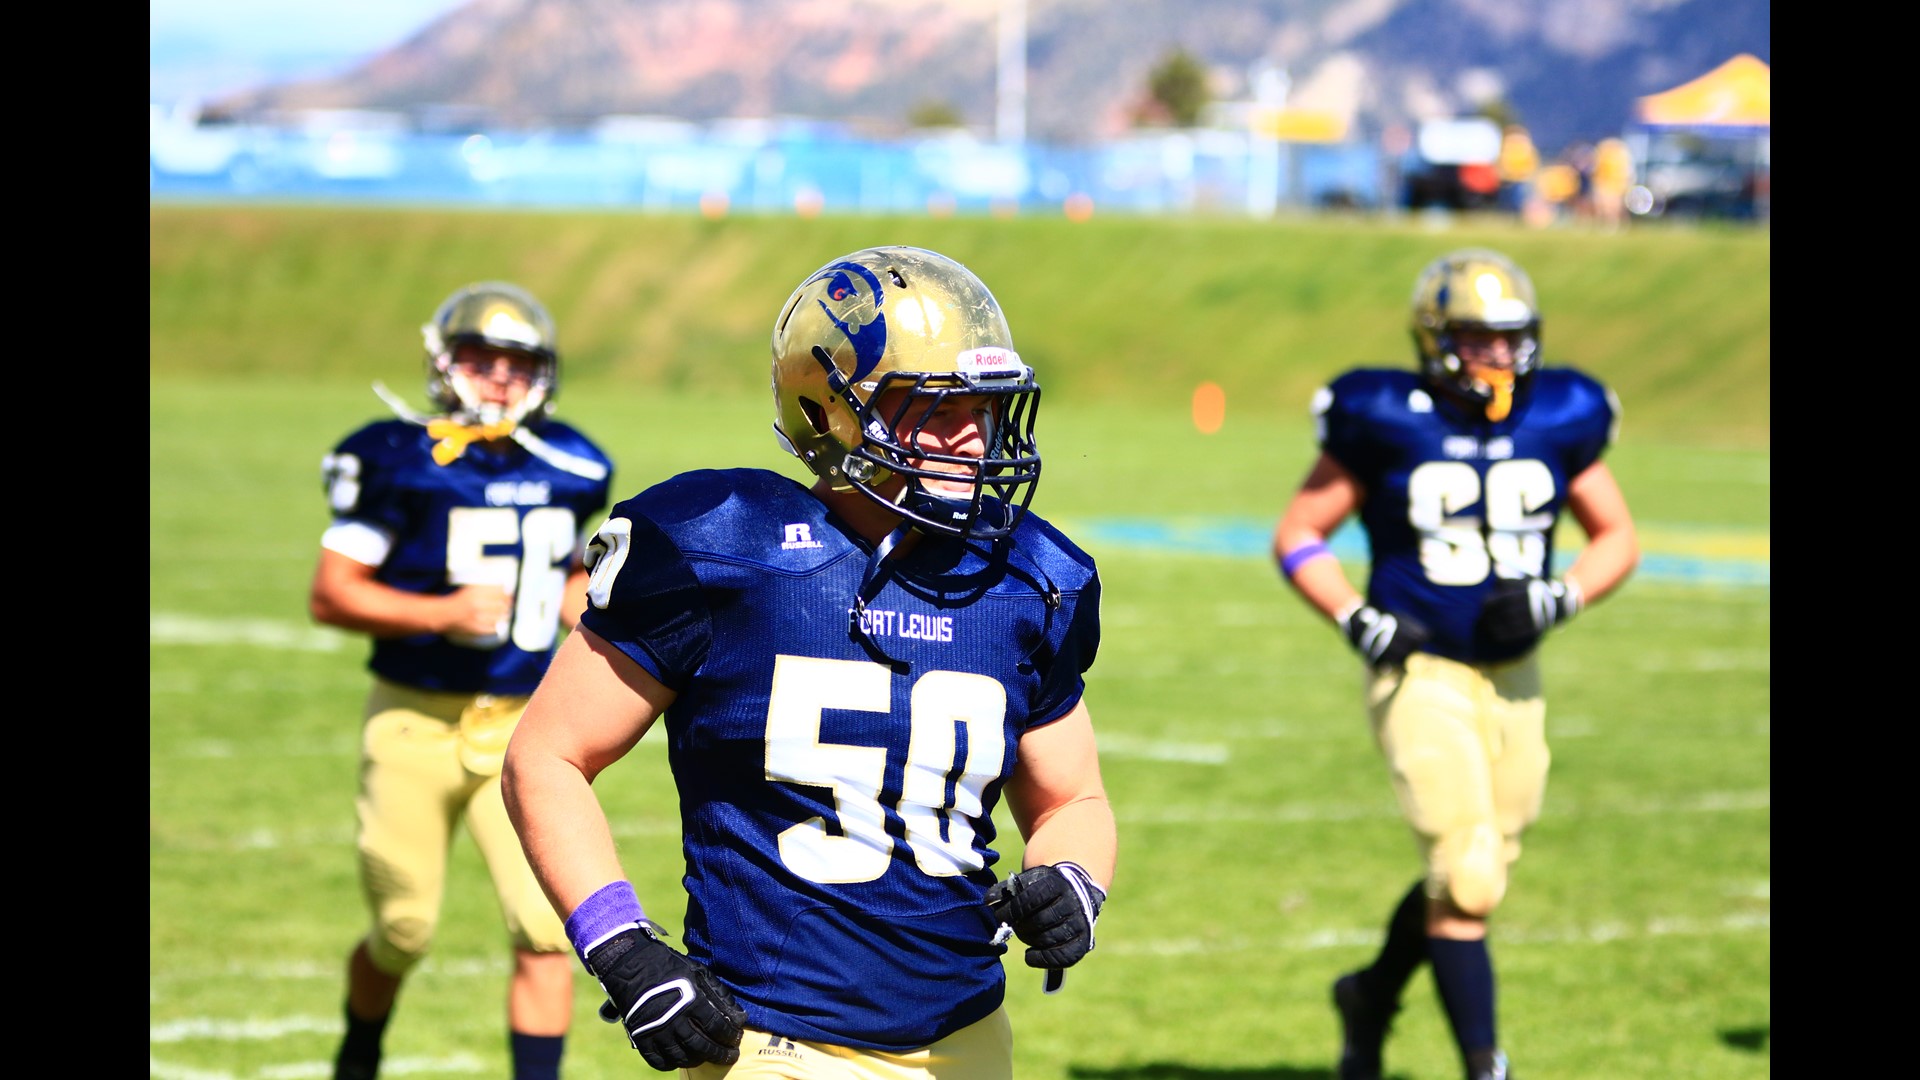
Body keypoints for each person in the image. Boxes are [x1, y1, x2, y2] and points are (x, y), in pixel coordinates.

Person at [501, 245, 1115, 1078]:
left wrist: (1072, 878)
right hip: (774, 1041)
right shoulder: (726, 544)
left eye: (982, 403)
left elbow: (1072, 795)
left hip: (968, 1037)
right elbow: (548, 754)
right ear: (831, 411)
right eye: (931, 407)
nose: (970, 432)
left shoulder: (1031, 577)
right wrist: (624, 949)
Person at [1270, 249, 1639, 1080]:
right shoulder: (1387, 415)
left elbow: (1617, 536)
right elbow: (1299, 532)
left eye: (1511, 339)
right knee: (1469, 877)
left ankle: (1368, 996)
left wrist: (1561, 597)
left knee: (1476, 867)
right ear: (1437, 340)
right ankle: (1486, 1065)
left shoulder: (1558, 415)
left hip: (1515, 673)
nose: (1500, 357)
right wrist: (1355, 618)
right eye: (1479, 339)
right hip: (1420, 671)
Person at [311, 281, 615, 1080]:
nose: (500, 377)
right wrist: (439, 612)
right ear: (445, 365)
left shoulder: (573, 461)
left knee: (548, 931)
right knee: (403, 930)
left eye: (517, 362)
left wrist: (594, 619)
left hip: (523, 728)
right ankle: (359, 1053)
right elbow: (331, 592)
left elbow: (565, 577)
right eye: (481, 359)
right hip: (414, 722)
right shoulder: (397, 457)